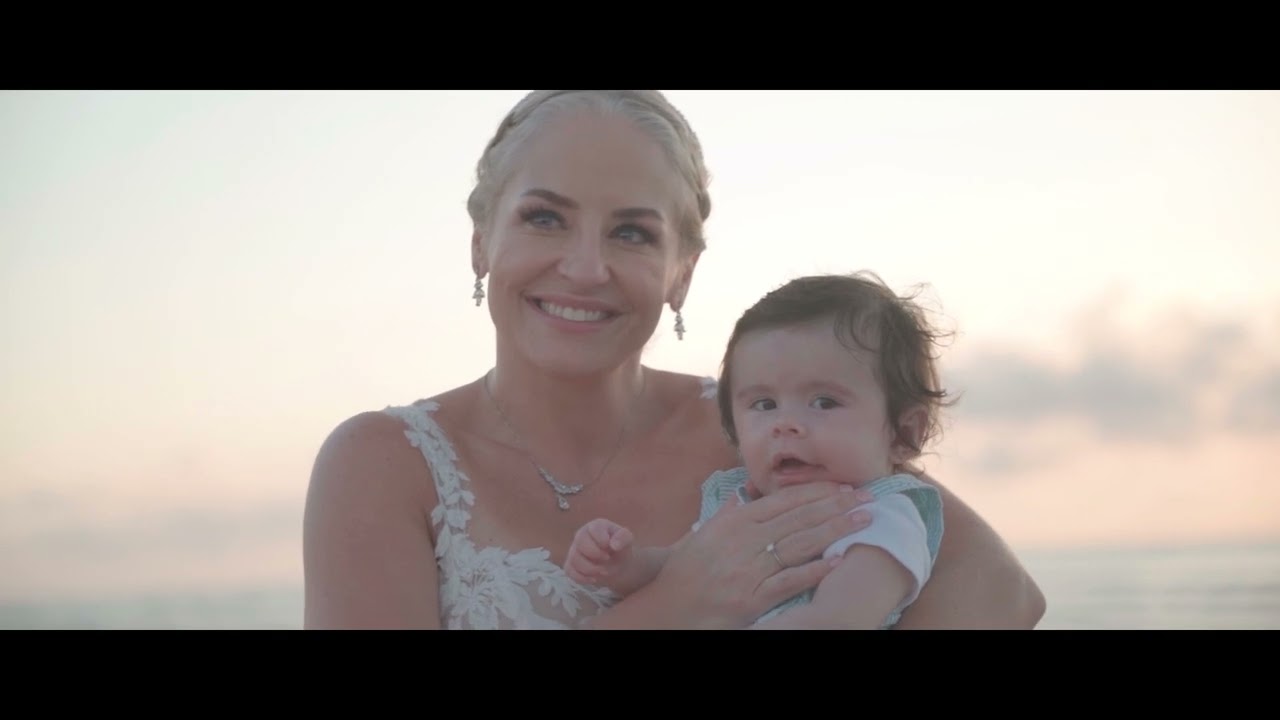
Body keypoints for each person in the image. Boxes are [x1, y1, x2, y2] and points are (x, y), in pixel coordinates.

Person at [302, 90, 1046, 630]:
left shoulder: (761, 423)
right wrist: (674, 608)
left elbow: (1001, 592)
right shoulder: (383, 462)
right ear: (480, 242)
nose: (586, 267)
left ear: (681, 271)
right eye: (544, 218)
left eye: (632, 233)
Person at [564, 272, 950, 629]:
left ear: (903, 434)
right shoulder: (739, 505)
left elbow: (836, 619)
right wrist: (625, 565)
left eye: (824, 402)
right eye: (765, 405)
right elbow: (679, 573)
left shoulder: (881, 518)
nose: (786, 424)